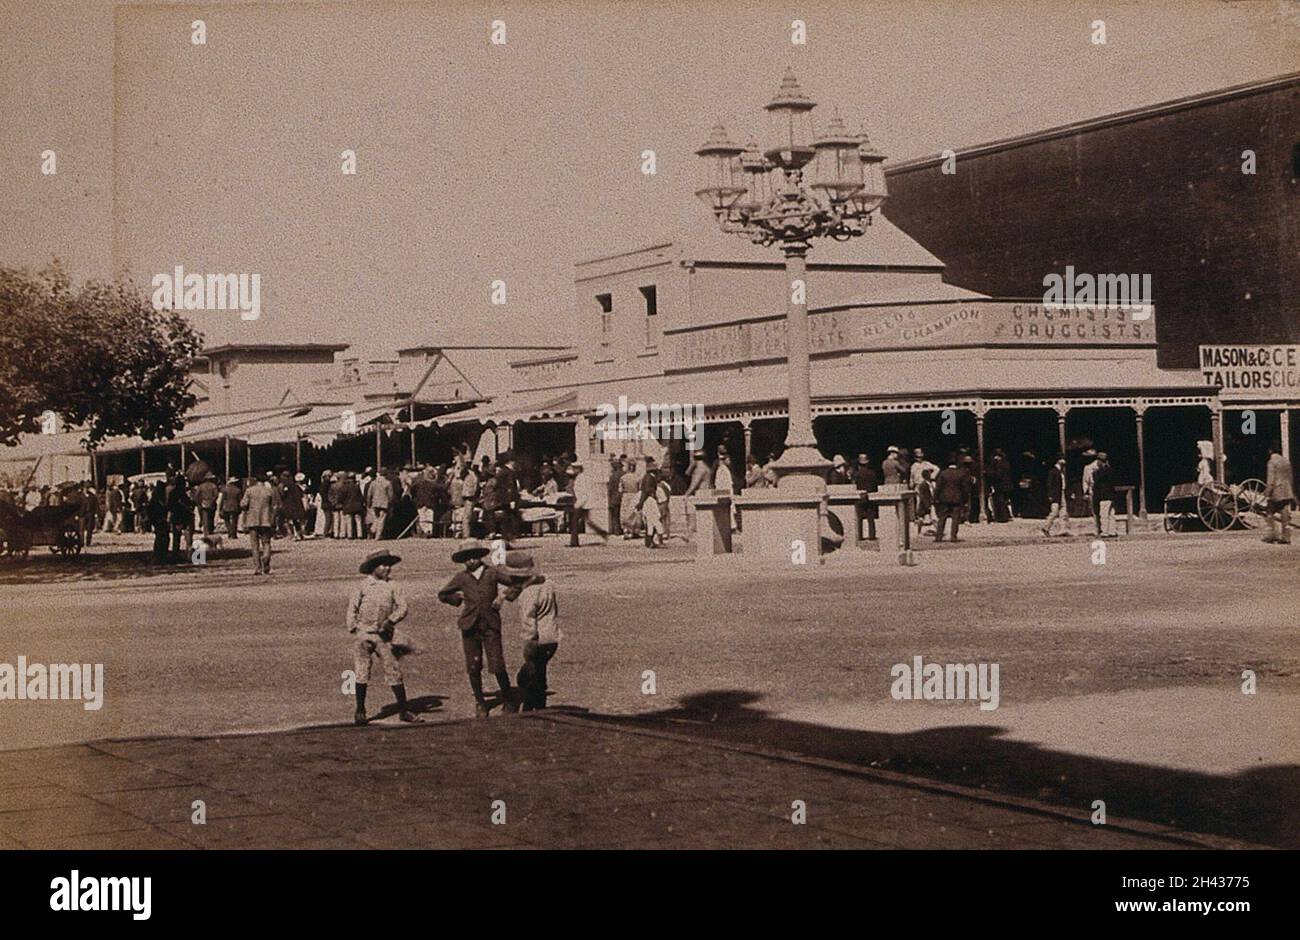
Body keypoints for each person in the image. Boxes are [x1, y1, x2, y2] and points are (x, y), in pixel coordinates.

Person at [438, 539, 519, 718]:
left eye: (474, 557)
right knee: (473, 666)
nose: (471, 561)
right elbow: (442, 594)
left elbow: (516, 583)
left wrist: (503, 597)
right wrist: (456, 598)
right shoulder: (461, 577)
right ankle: (480, 702)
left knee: (497, 663)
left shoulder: (492, 573)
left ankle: (508, 699)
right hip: (469, 626)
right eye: (466, 558)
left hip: (490, 624)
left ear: (481, 556)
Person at [347, 549, 419, 725]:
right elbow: (352, 609)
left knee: (393, 670)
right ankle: (360, 710)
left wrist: (390, 620)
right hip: (364, 634)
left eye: (389, 565)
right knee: (362, 671)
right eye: (383, 565)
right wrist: (354, 628)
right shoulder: (362, 586)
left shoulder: (393, 586)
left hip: (384, 636)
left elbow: (403, 607)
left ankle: (403, 710)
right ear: (373, 568)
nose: (387, 568)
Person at [502, 551, 560, 712]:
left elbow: (529, 626)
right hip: (552, 637)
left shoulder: (527, 595)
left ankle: (527, 708)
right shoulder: (548, 584)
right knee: (539, 674)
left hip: (536, 641)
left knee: (526, 677)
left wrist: (527, 647)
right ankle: (539, 706)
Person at [241, 473, 279, 574]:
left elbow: (243, 504)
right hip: (266, 520)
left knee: (255, 545)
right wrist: (273, 518)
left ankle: (257, 568)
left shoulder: (250, 490)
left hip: (252, 520)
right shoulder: (269, 491)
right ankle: (266, 558)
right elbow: (275, 506)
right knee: (266, 542)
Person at [933, 456, 972, 542]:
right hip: (957, 499)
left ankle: (938, 536)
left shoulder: (943, 473)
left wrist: (935, 498)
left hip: (944, 498)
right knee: (955, 518)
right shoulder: (961, 474)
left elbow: (938, 487)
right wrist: (965, 499)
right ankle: (953, 536)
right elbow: (964, 488)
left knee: (942, 518)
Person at [1263, 440, 1294, 545]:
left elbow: (1271, 480)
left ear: (1270, 451)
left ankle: (1273, 535)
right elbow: (1290, 477)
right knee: (1284, 514)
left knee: (1269, 512)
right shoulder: (1286, 461)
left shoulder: (1271, 462)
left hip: (1277, 491)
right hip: (1287, 489)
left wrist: (1267, 492)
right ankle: (1286, 537)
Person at [638, 456, 665, 547]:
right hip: (650, 501)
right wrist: (640, 503)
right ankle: (659, 541)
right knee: (656, 521)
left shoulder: (647, 477)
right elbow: (646, 491)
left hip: (648, 500)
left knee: (650, 523)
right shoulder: (650, 478)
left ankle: (649, 542)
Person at [852, 453, 879, 540]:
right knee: (870, 517)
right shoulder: (872, 473)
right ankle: (872, 535)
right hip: (870, 496)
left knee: (859, 517)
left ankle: (859, 535)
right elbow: (875, 484)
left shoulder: (856, 474)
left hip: (860, 497)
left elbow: (853, 485)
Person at [1042, 456, 1070, 537]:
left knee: (1063, 512)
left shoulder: (1061, 472)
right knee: (1054, 511)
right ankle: (1046, 527)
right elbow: (1049, 484)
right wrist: (1050, 495)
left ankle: (1063, 529)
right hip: (1056, 494)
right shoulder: (1053, 471)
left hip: (1062, 493)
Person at [1091, 451, 1116, 538]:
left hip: (1104, 496)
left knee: (1104, 514)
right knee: (1111, 514)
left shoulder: (1101, 471)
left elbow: (1096, 478)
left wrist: (1095, 471)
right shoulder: (1111, 470)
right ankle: (1112, 531)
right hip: (1111, 495)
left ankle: (1105, 531)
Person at [367, 467, 393, 540]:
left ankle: (373, 529)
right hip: (384, 503)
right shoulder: (388, 483)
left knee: (376, 519)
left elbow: (369, 494)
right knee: (382, 520)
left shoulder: (373, 482)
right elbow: (390, 495)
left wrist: (369, 502)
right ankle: (377, 536)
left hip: (375, 503)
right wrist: (390, 503)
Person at [281, 472, 307, 540]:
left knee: (292, 520)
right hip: (297, 504)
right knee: (296, 520)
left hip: (290, 504)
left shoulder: (287, 485)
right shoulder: (295, 485)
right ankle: (299, 534)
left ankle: (295, 535)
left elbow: (284, 495)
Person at [147, 481, 169, 562]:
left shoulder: (156, 498)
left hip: (158, 520)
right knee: (161, 538)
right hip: (159, 520)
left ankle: (160, 555)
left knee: (161, 538)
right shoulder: (157, 499)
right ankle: (160, 555)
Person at [606, 454, 624, 536]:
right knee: (623, 513)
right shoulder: (624, 474)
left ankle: (617, 530)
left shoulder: (612, 476)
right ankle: (623, 528)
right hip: (623, 496)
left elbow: (610, 489)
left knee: (615, 514)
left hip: (614, 497)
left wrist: (609, 500)